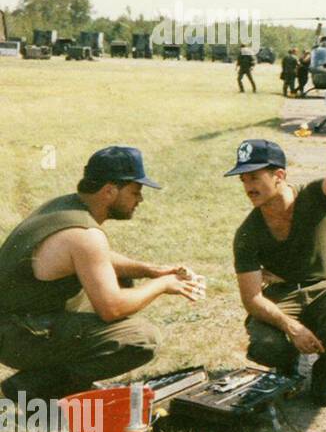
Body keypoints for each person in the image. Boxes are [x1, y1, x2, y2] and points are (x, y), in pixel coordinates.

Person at [0, 147, 203, 400]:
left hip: (18, 321)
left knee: (122, 279)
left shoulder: (66, 206)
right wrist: (162, 284)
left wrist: (150, 270)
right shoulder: (85, 235)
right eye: (135, 191)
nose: (140, 199)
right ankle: (28, 387)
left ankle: (62, 376)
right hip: (19, 336)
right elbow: (112, 308)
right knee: (141, 339)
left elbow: (97, 258)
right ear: (109, 191)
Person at [227, 138, 326, 405]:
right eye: (244, 180)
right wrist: (292, 328)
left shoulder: (314, 197)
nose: (248, 187)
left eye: (255, 178)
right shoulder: (247, 233)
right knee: (266, 345)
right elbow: (252, 299)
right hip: (283, 297)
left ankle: (324, 371)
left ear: (279, 175)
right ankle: (287, 366)